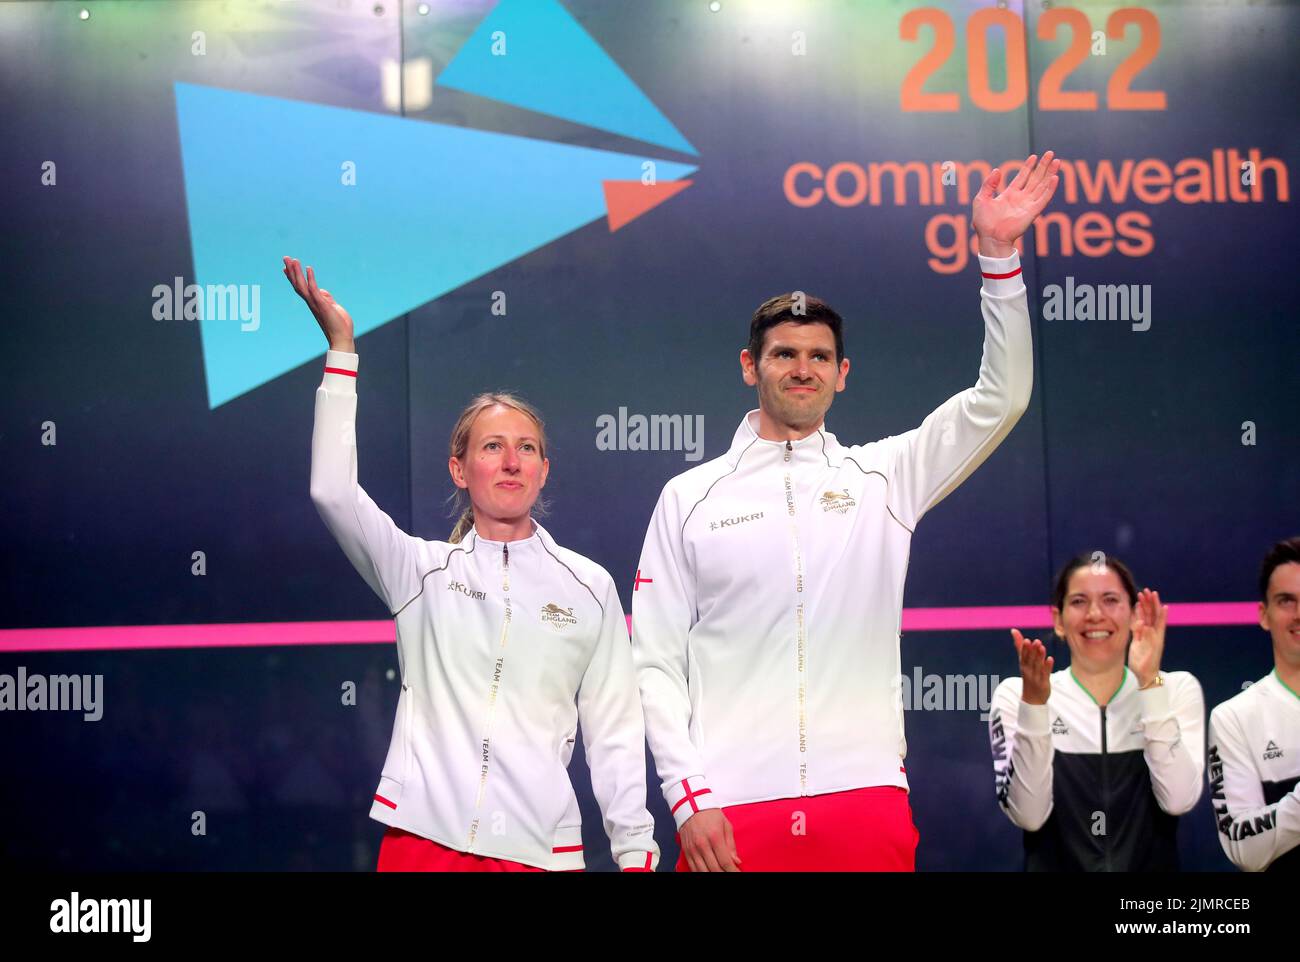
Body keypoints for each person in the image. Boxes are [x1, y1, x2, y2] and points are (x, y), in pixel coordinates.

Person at [631, 152, 1062, 871]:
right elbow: (653, 665)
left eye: (820, 356)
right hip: (728, 809)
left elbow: (1002, 398)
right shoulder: (688, 497)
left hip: (865, 798)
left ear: (842, 374)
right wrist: (687, 798)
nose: (803, 368)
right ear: (750, 366)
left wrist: (998, 256)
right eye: (784, 354)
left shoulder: (885, 477)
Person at [286, 256, 658, 872]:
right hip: (423, 844)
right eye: (492, 447)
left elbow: (614, 730)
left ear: (543, 470)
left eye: (526, 448)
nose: (511, 461)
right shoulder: (419, 572)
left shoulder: (590, 586)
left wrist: (636, 850)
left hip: (540, 853)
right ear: (460, 470)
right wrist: (342, 351)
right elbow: (331, 491)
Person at [989, 554, 1204, 870]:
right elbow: (1029, 816)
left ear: (1134, 614)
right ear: (1058, 620)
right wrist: (1034, 707)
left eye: (1110, 600)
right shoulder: (1016, 695)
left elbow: (1179, 800)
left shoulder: (1174, 689)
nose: (1094, 614)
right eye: (1079, 601)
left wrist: (1149, 683)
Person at [1207, 536, 1300, 871]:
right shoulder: (1233, 718)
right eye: (1287, 601)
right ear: (1264, 615)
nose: (1299, 614)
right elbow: (1243, 848)